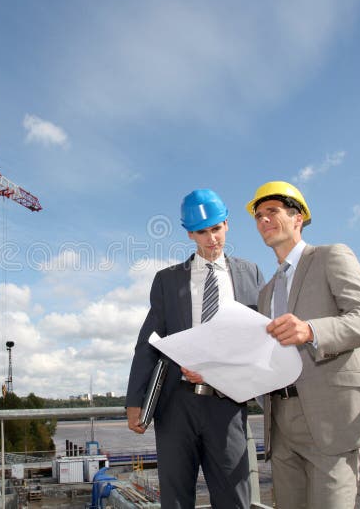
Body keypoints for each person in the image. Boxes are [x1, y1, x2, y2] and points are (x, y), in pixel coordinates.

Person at [247, 181, 360, 509]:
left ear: (297, 217)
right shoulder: (266, 291)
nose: (263, 221)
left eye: (272, 212)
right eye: (258, 217)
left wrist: (311, 330)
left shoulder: (331, 256)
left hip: (329, 418)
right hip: (280, 421)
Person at [126, 189, 264, 509]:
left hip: (227, 404)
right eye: (202, 231)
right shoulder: (167, 280)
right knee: (175, 498)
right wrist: (135, 400)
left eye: (216, 228)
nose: (211, 238)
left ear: (227, 224)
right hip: (176, 405)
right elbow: (148, 342)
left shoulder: (251, 273)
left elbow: (258, 337)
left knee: (234, 497)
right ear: (190, 233)